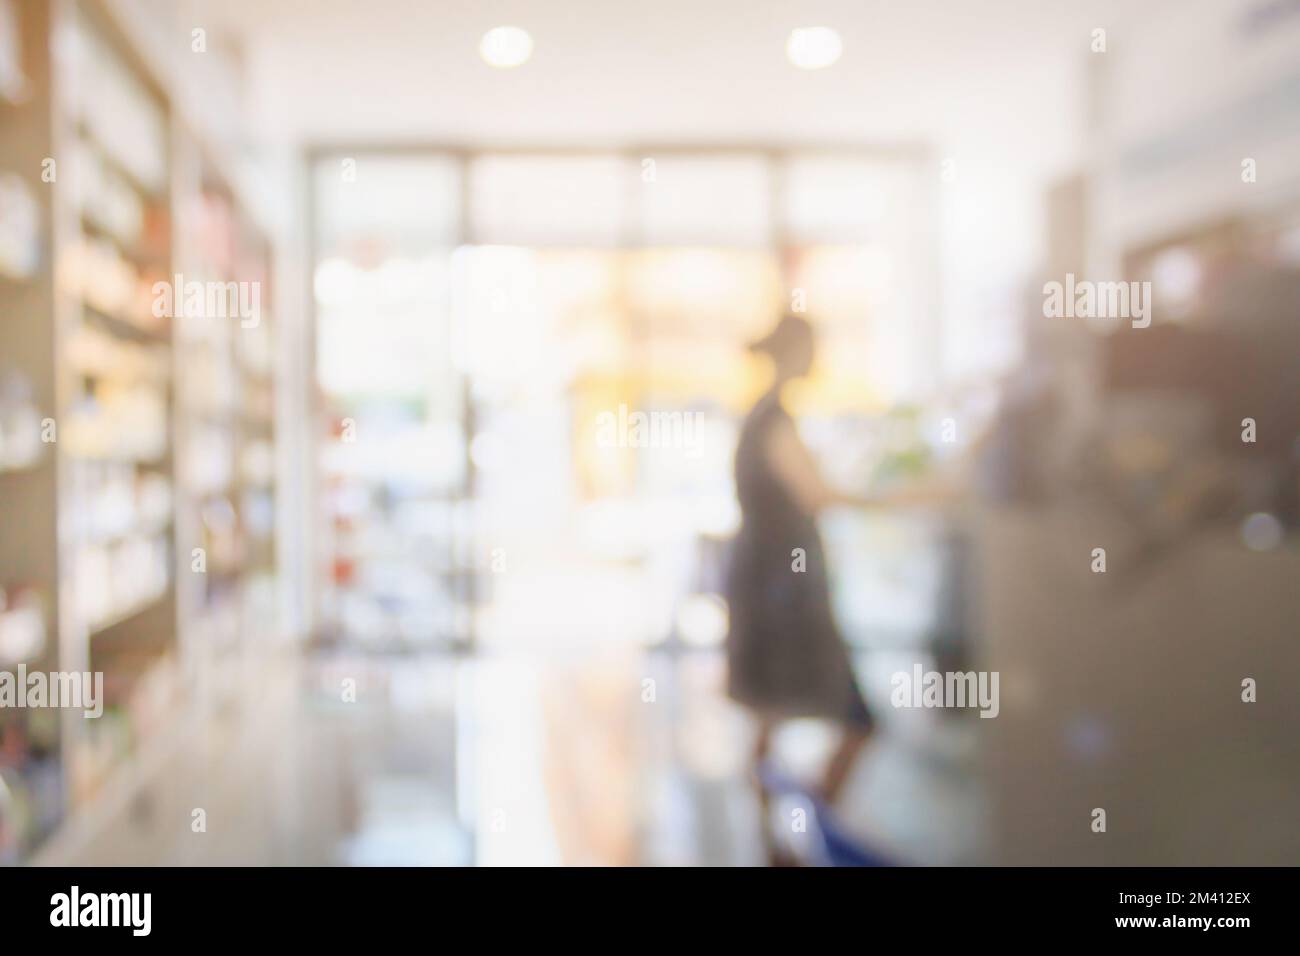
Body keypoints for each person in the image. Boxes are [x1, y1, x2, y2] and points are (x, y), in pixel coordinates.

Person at [725, 314, 875, 861]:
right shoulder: (774, 420)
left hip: (769, 586)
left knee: (770, 713)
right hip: (781, 593)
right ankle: (802, 833)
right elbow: (816, 494)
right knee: (851, 719)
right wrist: (903, 496)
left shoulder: (763, 416)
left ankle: (781, 837)